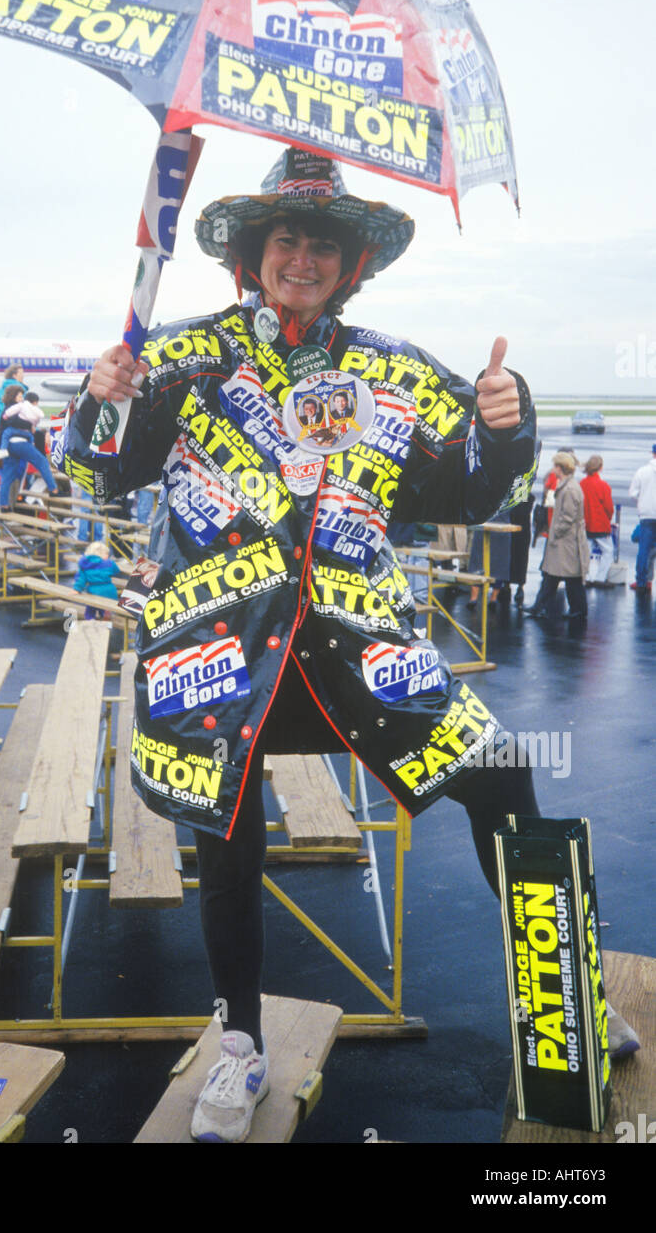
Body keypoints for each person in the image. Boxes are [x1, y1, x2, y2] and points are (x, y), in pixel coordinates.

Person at [68, 147, 601, 1140]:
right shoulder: (182, 354)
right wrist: (104, 394)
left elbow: (467, 490)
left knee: (503, 777)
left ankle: (561, 999)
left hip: (365, 653)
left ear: (352, 262)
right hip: (223, 657)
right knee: (226, 833)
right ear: (252, 255)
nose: (303, 257)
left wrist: (507, 426)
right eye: (286, 238)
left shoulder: (397, 370)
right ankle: (237, 1046)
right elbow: (104, 469)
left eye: (323, 241)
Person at [535, 452, 589, 623]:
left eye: (555, 466)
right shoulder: (568, 486)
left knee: (567, 577)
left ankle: (577, 610)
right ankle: (541, 606)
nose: (552, 469)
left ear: (560, 468)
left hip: (565, 541)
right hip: (564, 541)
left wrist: (556, 532)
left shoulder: (570, 489)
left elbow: (568, 516)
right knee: (556, 576)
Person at [0, 390, 57, 507]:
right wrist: (30, 426)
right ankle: (53, 489)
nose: (21, 398)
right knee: (42, 461)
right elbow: (14, 422)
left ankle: (3, 505)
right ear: (13, 396)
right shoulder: (17, 408)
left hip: (9, 445)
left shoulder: (10, 408)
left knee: (7, 476)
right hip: (19, 443)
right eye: (19, 395)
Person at [580, 455, 615, 587]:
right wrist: (608, 519)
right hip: (600, 524)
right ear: (600, 468)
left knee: (586, 551)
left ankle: (587, 577)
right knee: (608, 551)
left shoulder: (581, 484)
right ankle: (600, 577)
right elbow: (609, 508)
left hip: (585, 523)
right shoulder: (603, 485)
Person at [629, 442, 656, 592]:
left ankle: (641, 581)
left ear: (653, 453)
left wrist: (643, 500)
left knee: (644, 550)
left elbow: (633, 493)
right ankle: (649, 579)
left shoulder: (642, 471)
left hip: (647, 515)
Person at [72, 540, 121, 617]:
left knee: (90, 611)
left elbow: (81, 579)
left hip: (93, 591)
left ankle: (90, 623)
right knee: (106, 613)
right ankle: (107, 626)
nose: (108, 556)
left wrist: (77, 589)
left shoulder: (85, 565)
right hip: (109, 591)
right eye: (107, 554)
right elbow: (116, 571)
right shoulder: (109, 563)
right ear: (102, 554)